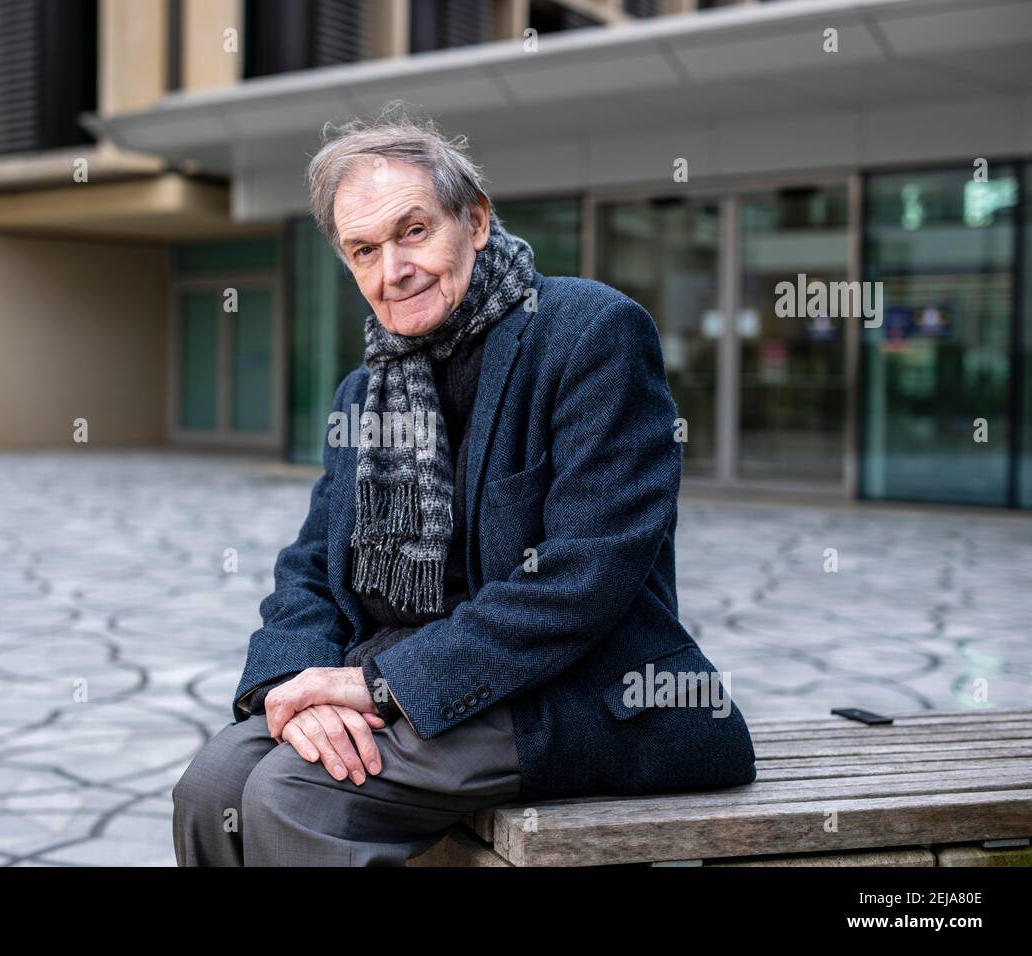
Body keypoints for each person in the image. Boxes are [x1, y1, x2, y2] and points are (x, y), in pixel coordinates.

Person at [172, 101, 757, 867]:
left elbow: (585, 575)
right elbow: (312, 566)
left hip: (570, 691)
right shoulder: (366, 389)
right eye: (363, 250)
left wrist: (379, 687)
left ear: (475, 221)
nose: (393, 269)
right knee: (211, 787)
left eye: (413, 230)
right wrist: (291, 680)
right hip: (394, 671)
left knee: (294, 795)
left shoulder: (587, 333)